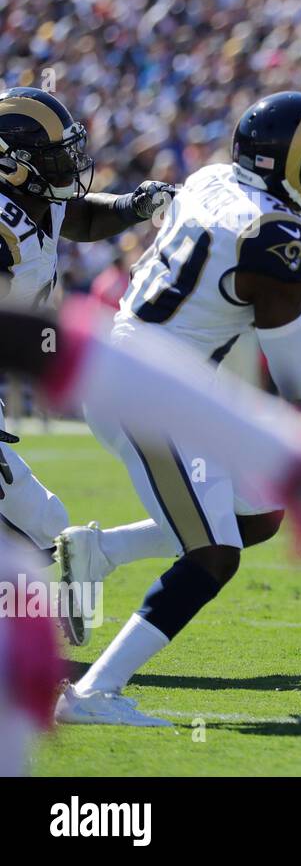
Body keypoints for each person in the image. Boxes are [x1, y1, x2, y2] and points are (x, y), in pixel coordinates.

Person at [53, 92, 301, 725]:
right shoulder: (276, 240)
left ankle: (101, 554)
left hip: (156, 372)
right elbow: (294, 374)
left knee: (257, 514)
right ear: (288, 162)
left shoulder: (210, 178)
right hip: (144, 390)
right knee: (213, 554)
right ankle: (95, 693)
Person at [0, 86, 174, 571]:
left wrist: (137, 206)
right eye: (53, 159)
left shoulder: (32, 199)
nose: (68, 168)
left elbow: (79, 216)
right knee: (40, 524)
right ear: (10, 164)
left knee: (34, 531)